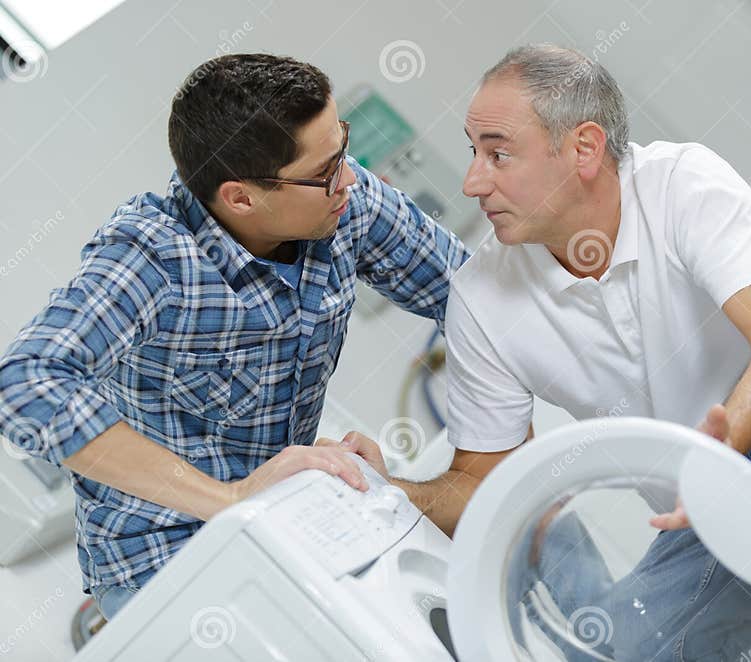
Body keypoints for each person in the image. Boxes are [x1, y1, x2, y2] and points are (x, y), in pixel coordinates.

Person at [346, 44, 751, 660]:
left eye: (498, 154)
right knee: (630, 648)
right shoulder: (481, 298)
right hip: (710, 501)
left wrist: (716, 454)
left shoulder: (680, 183)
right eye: (473, 152)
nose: (472, 182)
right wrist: (388, 489)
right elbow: (484, 485)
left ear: (584, 148)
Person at [0, 53, 468, 620]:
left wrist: (483, 464)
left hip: (285, 518)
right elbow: (26, 383)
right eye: (325, 171)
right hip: (162, 556)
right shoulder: (154, 256)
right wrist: (230, 500)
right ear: (241, 197)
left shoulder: (346, 201)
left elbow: (472, 300)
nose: (348, 178)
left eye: (342, 147)